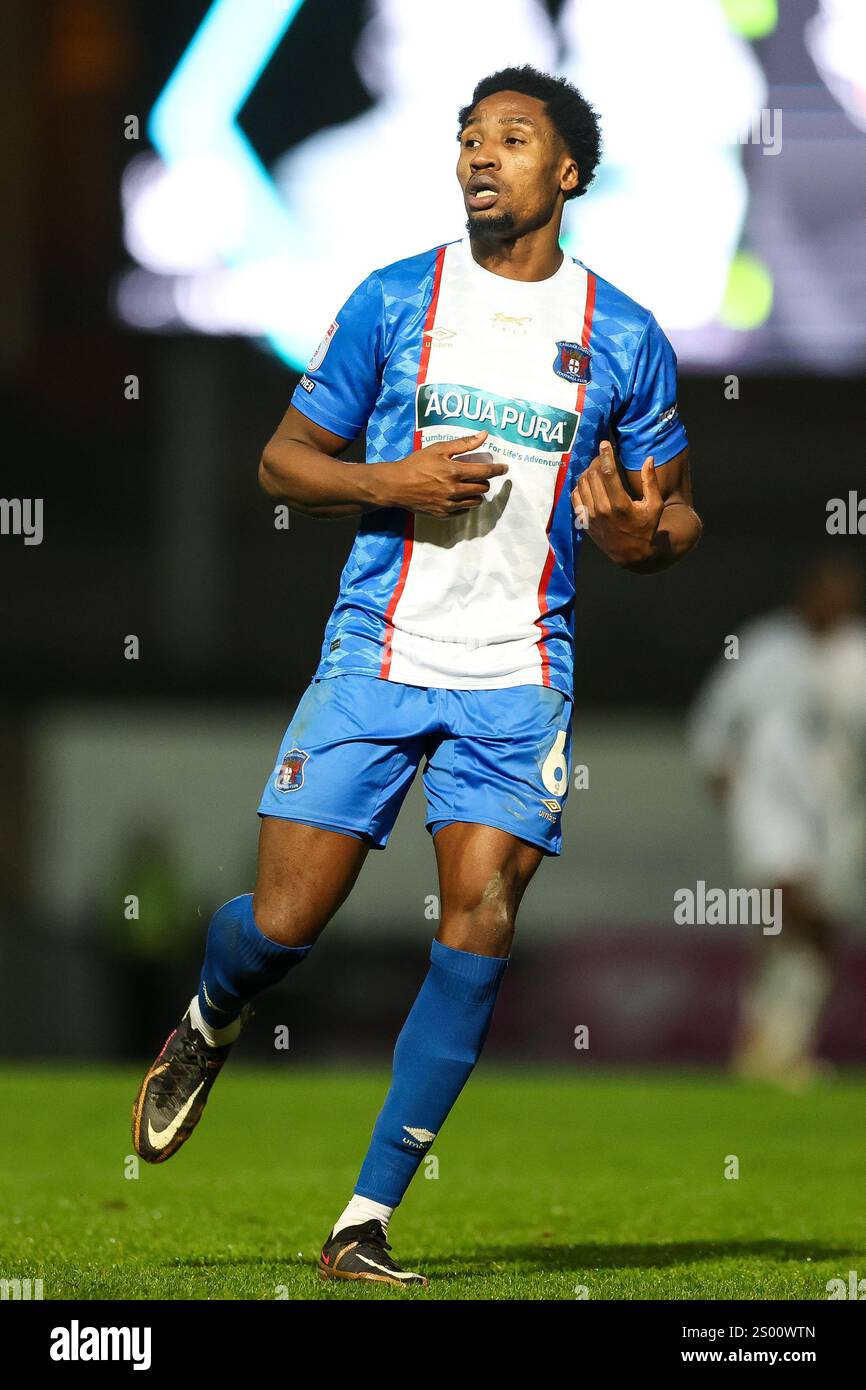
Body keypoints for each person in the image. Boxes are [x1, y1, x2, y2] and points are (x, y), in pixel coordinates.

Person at [132, 64, 701, 1288]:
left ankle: (362, 1221)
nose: (476, 157)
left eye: (508, 138)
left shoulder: (626, 335)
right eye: (465, 139)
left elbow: (672, 518)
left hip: (518, 675)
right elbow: (284, 463)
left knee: (480, 922)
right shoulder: (396, 300)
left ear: (568, 172)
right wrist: (386, 481)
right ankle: (209, 1016)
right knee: (282, 926)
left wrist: (633, 539)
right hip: (375, 655)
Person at [690, 554, 866, 1088]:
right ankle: (769, 1040)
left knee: (817, 929)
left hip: (839, 813)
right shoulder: (766, 645)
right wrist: (718, 768)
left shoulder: (858, 656)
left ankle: (778, 1045)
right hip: (767, 804)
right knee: (789, 905)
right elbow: (717, 713)